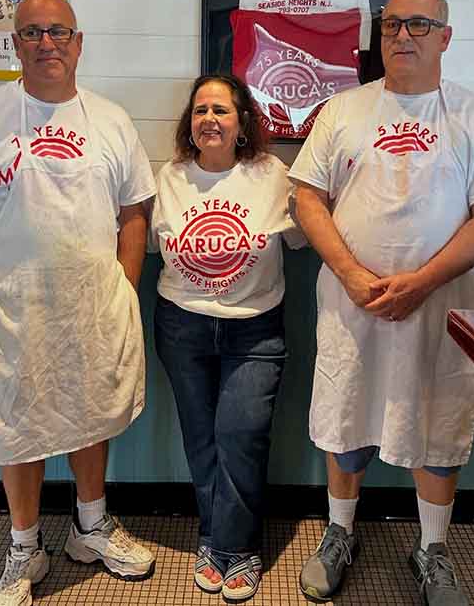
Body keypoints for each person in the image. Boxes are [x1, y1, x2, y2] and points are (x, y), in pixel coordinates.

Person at [289, 0, 474, 605]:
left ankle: (434, 546)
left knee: (438, 415)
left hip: (442, 303)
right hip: (353, 302)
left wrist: (420, 282)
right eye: (392, 23)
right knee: (347, 411)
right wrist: (348, 272)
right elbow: (307, 199)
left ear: (445, 36)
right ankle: (340, 534)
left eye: (419, 24)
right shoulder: (342, 111)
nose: (402, 35)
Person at [0, 0, 157, 606]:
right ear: (15, 44)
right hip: (10, 310)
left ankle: (92, 525)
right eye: (32, 33)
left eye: (58, 32)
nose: (46, 42)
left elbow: (135, 215)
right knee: (13, 427)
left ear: (78, 43)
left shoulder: (111, 120)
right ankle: (25, 545)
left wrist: (123, 293)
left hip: (94, 305)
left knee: (91, 413)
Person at [150, 74, 304, 603]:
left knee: (241, 434)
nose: (209, 119)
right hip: (182, 323)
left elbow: (304, 238)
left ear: (242, 124)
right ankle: (223, 543)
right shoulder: (169, 178)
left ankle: (232, 544)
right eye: (199, 111)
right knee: (201, 437)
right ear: (188, 124)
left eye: (221, 110)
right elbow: (146, 245)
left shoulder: (271, 174)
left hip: (255, 327)